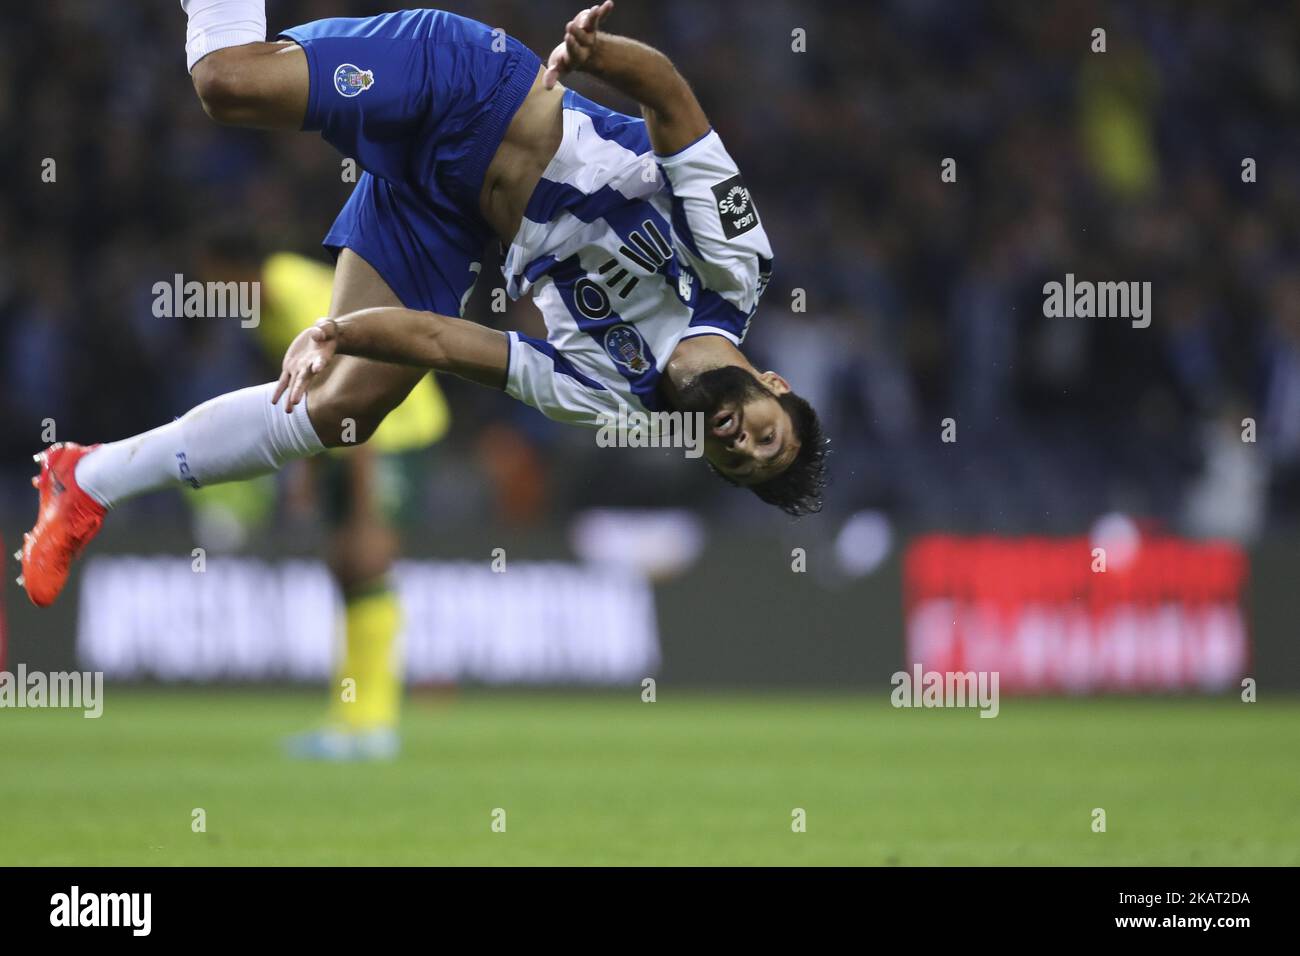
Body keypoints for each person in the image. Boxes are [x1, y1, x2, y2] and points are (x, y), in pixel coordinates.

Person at [18, 1, 827, 610]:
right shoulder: (735, 268)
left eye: (744, 464)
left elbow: (444, 343)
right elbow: (673, 102)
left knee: (344, 409)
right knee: (229, 84)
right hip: (472, 85)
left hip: (445, 215)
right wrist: (597, 52)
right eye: (766, 436)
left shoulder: (612, 396)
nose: (744, 444)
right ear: (776, 389)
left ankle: (86, 479)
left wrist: (334, 331)